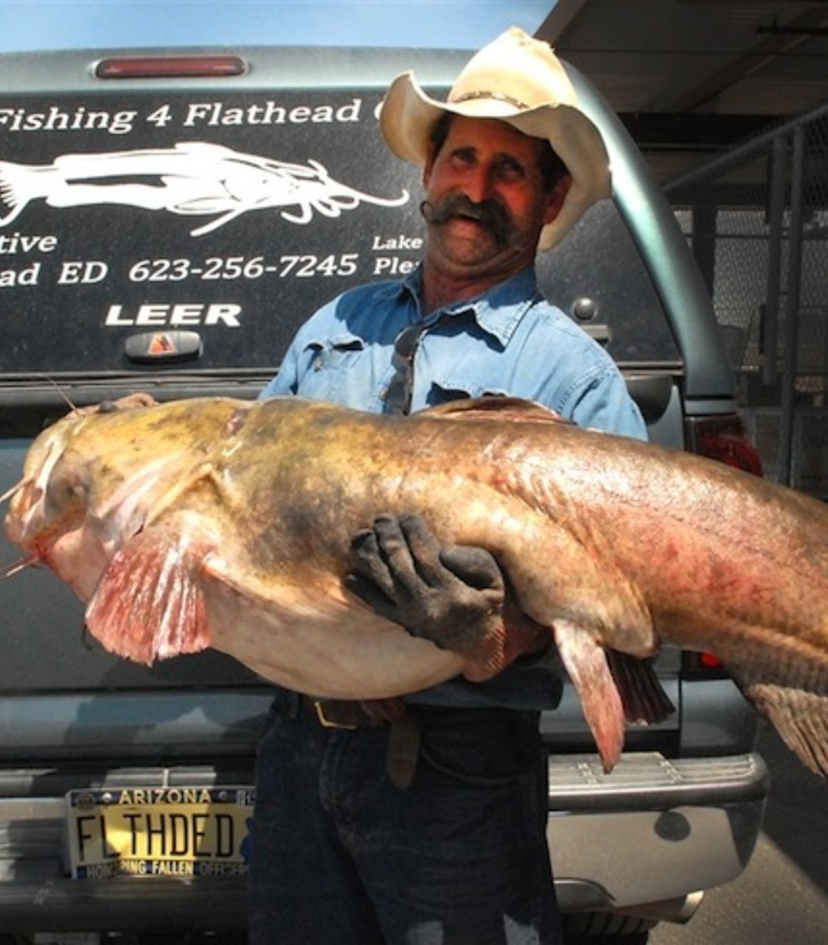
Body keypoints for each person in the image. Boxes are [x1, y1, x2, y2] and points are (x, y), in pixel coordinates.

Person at [249, 27, 647, 945]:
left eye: (509, 169)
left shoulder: (573, 378)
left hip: (458, 775)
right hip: (299, 748)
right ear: (427, 176)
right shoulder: (332, 325)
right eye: (460, 156)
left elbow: (628, 605)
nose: (475, 186)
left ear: (549, 199)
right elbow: (251, 484)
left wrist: (493, 635)